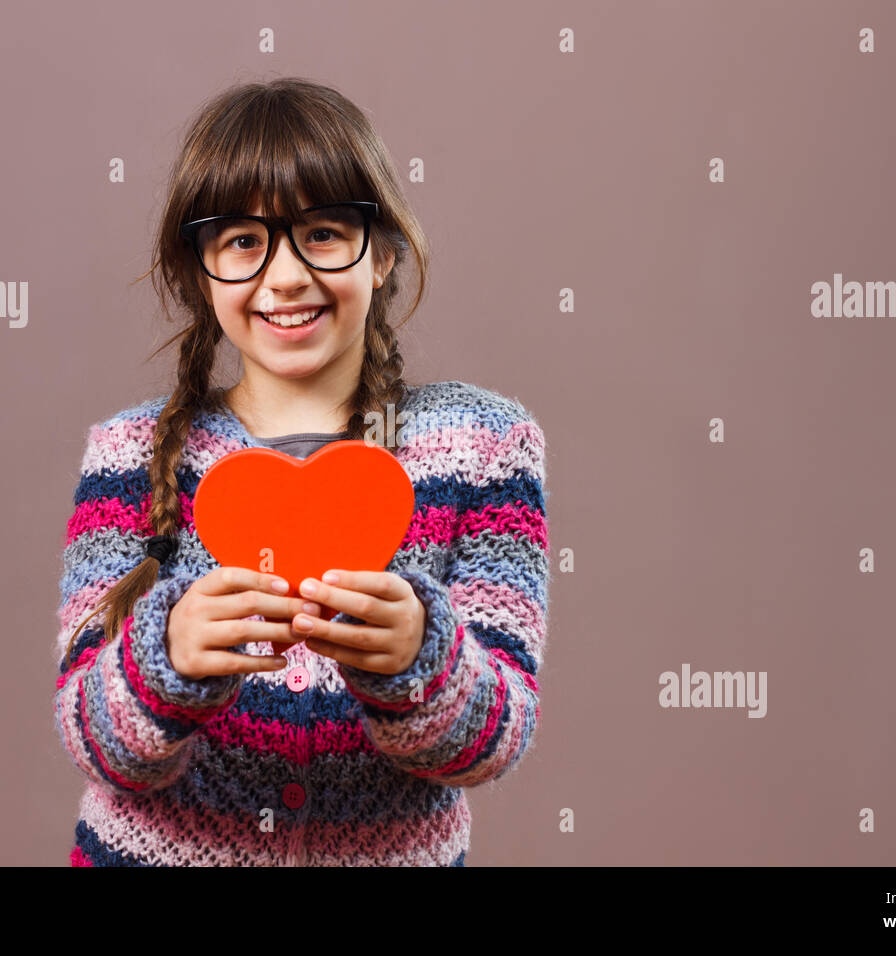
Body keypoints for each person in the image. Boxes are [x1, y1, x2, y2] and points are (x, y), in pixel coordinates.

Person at [53, 77, 550, 866]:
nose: (285, 277)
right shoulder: (130, 454)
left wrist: (422, 654)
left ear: (382, 252)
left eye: (321, 233)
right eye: (243, 241)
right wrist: (167, 656)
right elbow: (95, 741)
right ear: (201, 270)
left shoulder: (485, 446)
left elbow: (495, 740)